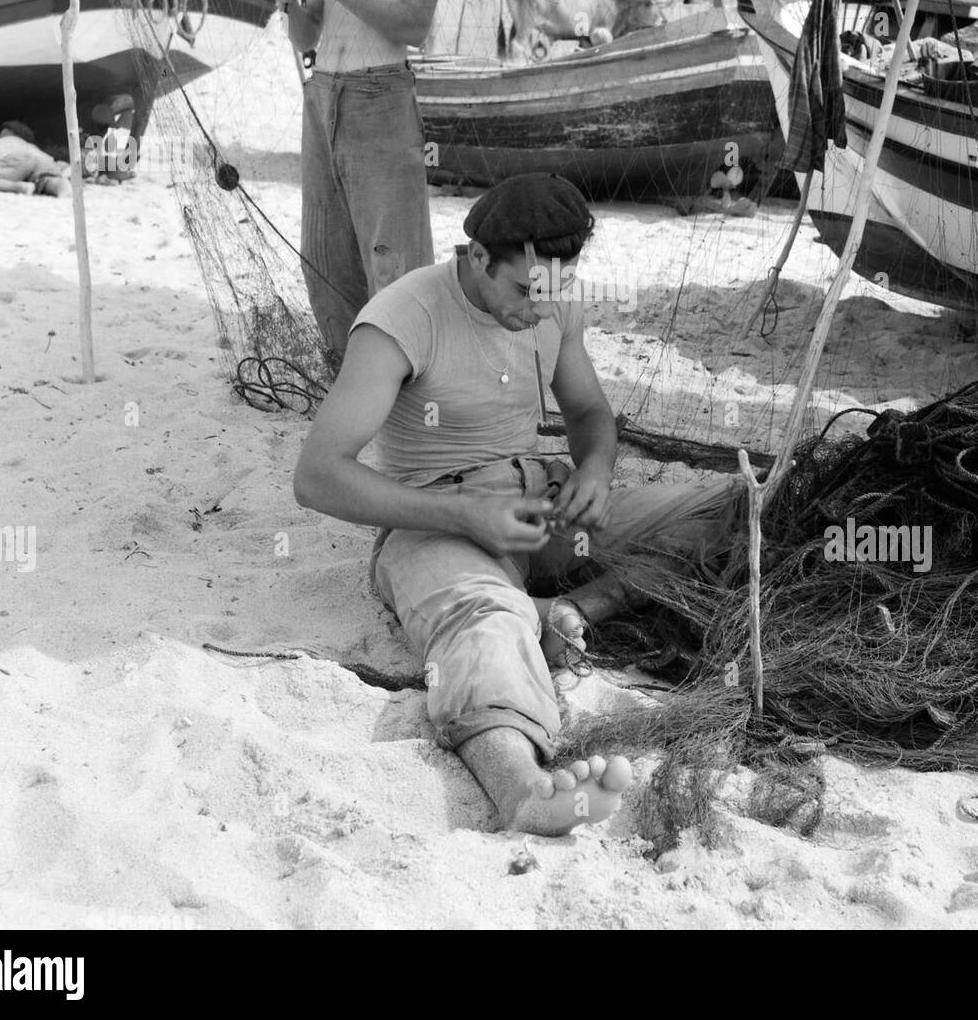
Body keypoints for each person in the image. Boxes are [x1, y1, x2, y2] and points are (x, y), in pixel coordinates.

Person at [293, 173, 739, 835]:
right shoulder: (401, 319)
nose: (539, 307)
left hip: (540, 500)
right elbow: (317, 475)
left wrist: (595, 469)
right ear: (477, 259)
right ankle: (524, 790)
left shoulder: (555, 301)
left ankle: (569, 611)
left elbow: (588, 410)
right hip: (433, 522)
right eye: (525, 291)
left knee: (721, 510)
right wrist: (465, 514)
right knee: (485, 619)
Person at [274, 0, 446, 364]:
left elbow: (416, 27)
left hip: (381, 93)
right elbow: (307, 40)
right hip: (322, 92)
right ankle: (347, 372)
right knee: (324, 249)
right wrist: (289, 3)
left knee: (393, 252)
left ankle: (408, 372)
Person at [0, 121, 69, 197]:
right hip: (44, 160)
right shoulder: (32, 147)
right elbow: (63, 166)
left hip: (18, 159)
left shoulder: (3, 142)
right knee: (47, 179)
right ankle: (62, 187)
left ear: (10, 133)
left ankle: (19, 187)